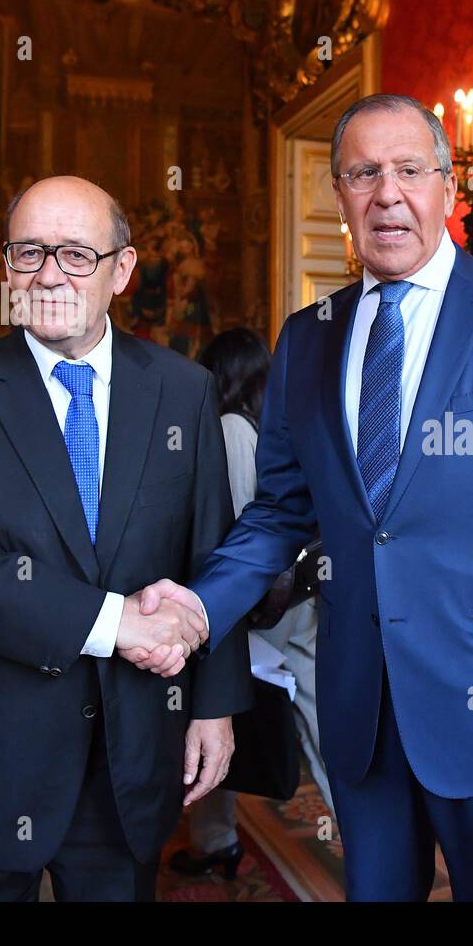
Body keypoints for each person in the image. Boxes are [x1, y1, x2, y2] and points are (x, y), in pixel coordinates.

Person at [139, 94, 473, 901]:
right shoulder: (308, 334)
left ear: (447, 186)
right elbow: (278, 514)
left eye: (408, 170)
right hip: (359, 703)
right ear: (340, 195)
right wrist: (194, 609)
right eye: (363, 174)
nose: (387, 193)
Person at [0, 175, 251, 902]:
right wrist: (116, 623)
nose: (49, 272)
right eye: (29, 252)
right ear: (5, 268)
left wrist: (214, 705)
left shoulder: (183, 391)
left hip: (130, 757)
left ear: (122, 269)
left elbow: (212, 555)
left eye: (77, 254)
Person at [169, 328, 331, 878]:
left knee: (220, 707)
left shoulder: (231, 429)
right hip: (295, 602)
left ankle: (217, 838)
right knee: (305, 715)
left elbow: (236, 538)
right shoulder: (266, 426)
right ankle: (219, 841)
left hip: (262, 615)